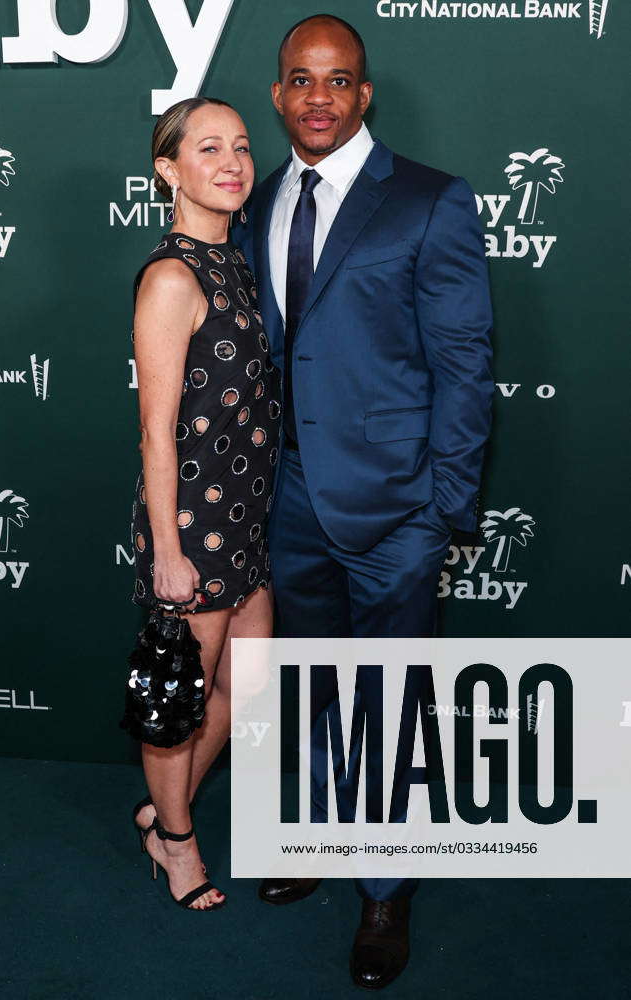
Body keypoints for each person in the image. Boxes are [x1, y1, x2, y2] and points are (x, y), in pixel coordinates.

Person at [233, 13, 494, 989]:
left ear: (364, 92)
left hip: (397, 508)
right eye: (300, 79)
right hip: (290, 497)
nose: (316, 97)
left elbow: (465, 364)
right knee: (314, 688)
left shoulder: (428, 200)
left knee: (389, 700)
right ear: (277, 94)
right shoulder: (260, 202)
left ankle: (386, 885)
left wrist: (443, 508)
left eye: (336, 80)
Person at [129, 97, 282, 911]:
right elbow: (156, 434)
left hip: (249, 516)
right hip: (194, 525)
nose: (232, 162)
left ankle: (165, 805)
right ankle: (177, 844)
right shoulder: (171, 278)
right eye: (209, 148)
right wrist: (169, 551)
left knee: (246, 687)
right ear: (169, 170)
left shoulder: (241, 262)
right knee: (182, 704)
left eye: (243, 147)